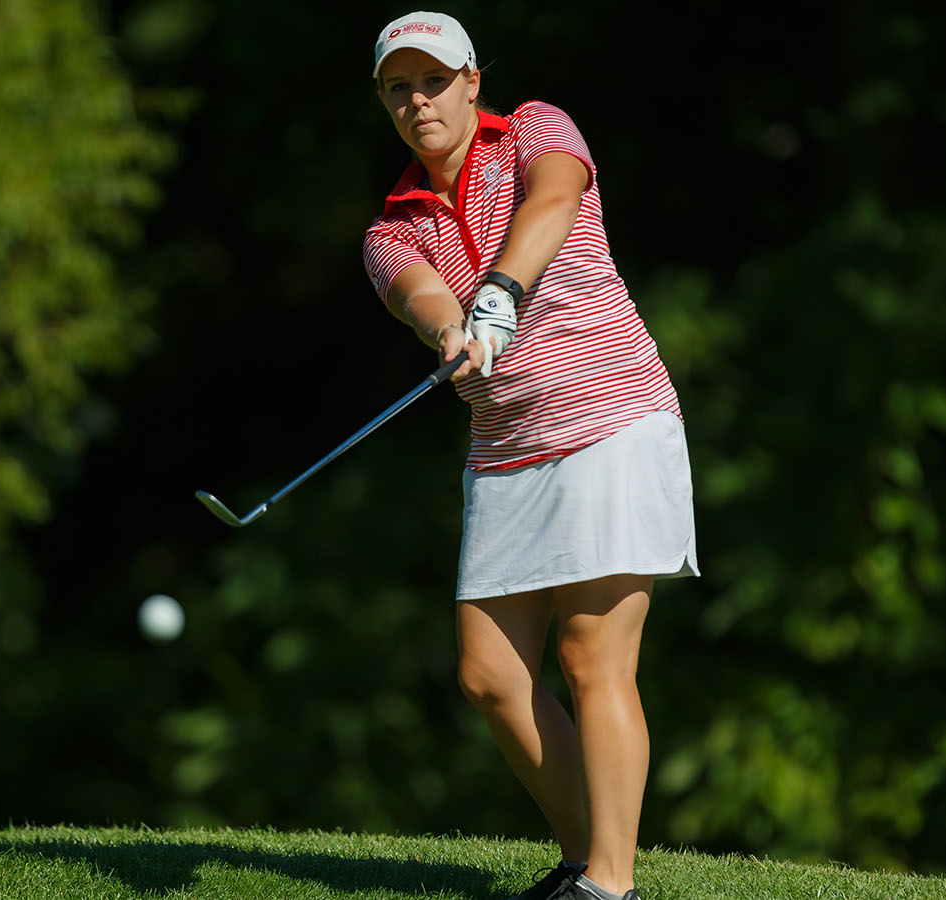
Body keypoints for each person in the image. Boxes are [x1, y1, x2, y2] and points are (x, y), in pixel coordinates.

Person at [362, 12, 700, 900]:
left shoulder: (535, 129)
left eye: (432, 80)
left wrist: (504, 292)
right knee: (489, 676)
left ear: (473, 81)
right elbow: (419, 294)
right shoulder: (392, 227)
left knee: (593, 660)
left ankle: (611, 887)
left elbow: (554, 196)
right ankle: (590, 854)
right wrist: (452, 331)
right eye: (399, 87)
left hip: (610, 423)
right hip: (507, 452)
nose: (417, 100)